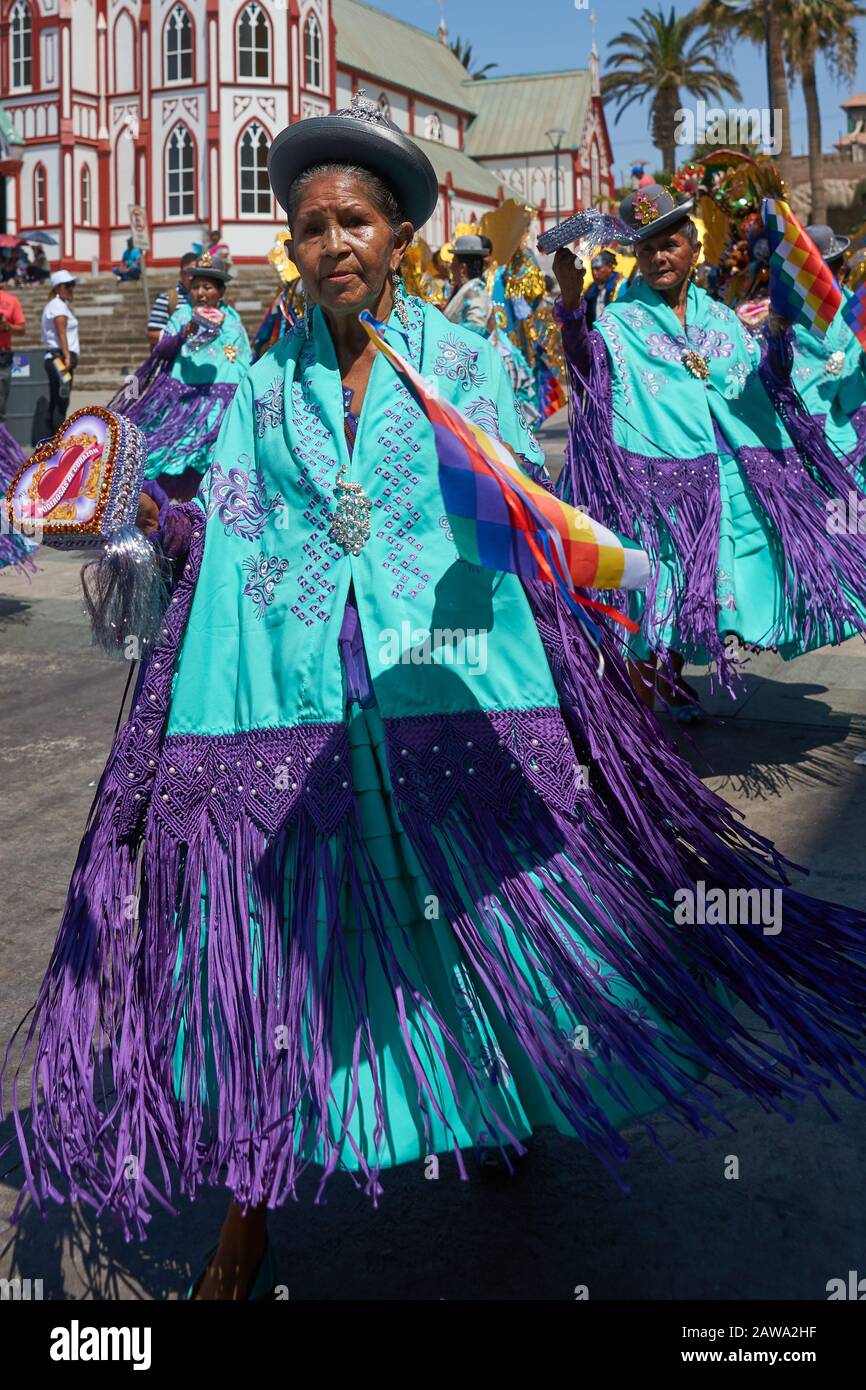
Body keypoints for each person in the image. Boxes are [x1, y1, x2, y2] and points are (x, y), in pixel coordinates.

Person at [7, 96, 866, 1306]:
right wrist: (149, 519)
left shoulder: (460, 364)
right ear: (289, 248)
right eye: (309, 227)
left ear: (400, 232)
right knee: (289, 946)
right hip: (295, 710)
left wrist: (582, 599)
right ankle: (250, 1211)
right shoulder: (263, 383)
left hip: (448, 693)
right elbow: (236, 536)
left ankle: (505, 1087)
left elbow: (513, 519)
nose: (333, 242)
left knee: (476, 914)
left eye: (354, 219)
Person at [553, 183, 866, 713]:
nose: (657, 257)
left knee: (695, 599)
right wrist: (569, 302)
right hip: (655, 489)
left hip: (725, 481)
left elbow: (762, 385)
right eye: (646, 248)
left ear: (693, 249)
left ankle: (672, 682)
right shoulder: (619, 323)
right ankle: (641, 734)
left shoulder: (721, 318)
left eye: (669, 244)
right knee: (654, 598)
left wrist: (778, 338)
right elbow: (587, 371)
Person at [109, 251, 251, 499]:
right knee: (176, 458)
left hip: (220, 405)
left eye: (207, 287)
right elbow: (161, 350)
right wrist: (183, 334)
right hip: (183, 403)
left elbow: (243, 361)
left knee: (214, 461)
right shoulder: (182, 317)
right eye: (196, 287)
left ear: (221, 292)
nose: (201, 293)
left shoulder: (233, 321)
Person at [784, 224, 865, 482]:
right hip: (791, 450)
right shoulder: (782, 321)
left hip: (846, 452)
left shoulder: (858, 318)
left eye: (821, 274)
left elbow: (853, 400)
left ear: (841, 273)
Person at [41, 269, 80, 434]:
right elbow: (61, 332)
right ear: (58, 288)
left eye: (72, 285)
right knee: (61, 401)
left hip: (58, 359)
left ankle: (51, 440)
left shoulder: (59, 305)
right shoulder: (57, 306)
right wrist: (66, 356)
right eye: (68, 285)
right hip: (60, 359)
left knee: (58, 400)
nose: (71, 289)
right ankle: (56, 441)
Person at [443, 233, 492, 333]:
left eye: (453, 262)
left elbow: (476, 326)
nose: (450, 267)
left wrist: (445, 330)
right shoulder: (467, 289)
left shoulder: (474, 291)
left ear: (462, 268)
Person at [147, 253, 196, 348]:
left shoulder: (205, 300)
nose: (191, 277)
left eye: (194, 273)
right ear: (181, 274)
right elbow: (152, 335)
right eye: (187, 273)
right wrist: (179, 339)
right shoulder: (168, 298)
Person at [584, 251, 623, 328]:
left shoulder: (622, 285)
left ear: (609, 267)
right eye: (592, 269)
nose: (594, 273)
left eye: (598, 268)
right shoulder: (591, 289)